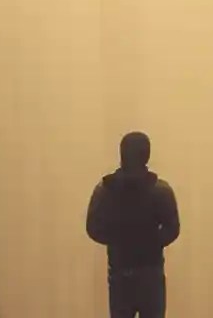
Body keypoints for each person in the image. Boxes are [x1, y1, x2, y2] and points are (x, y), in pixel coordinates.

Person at [86, 131, 180, 318]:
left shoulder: (106, 190)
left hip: (120, 272)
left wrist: (119, 240)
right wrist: (151, 242)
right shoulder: (160, 190)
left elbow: (93, 227)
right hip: (151, 272)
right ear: (147, 154)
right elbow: (173, 228)